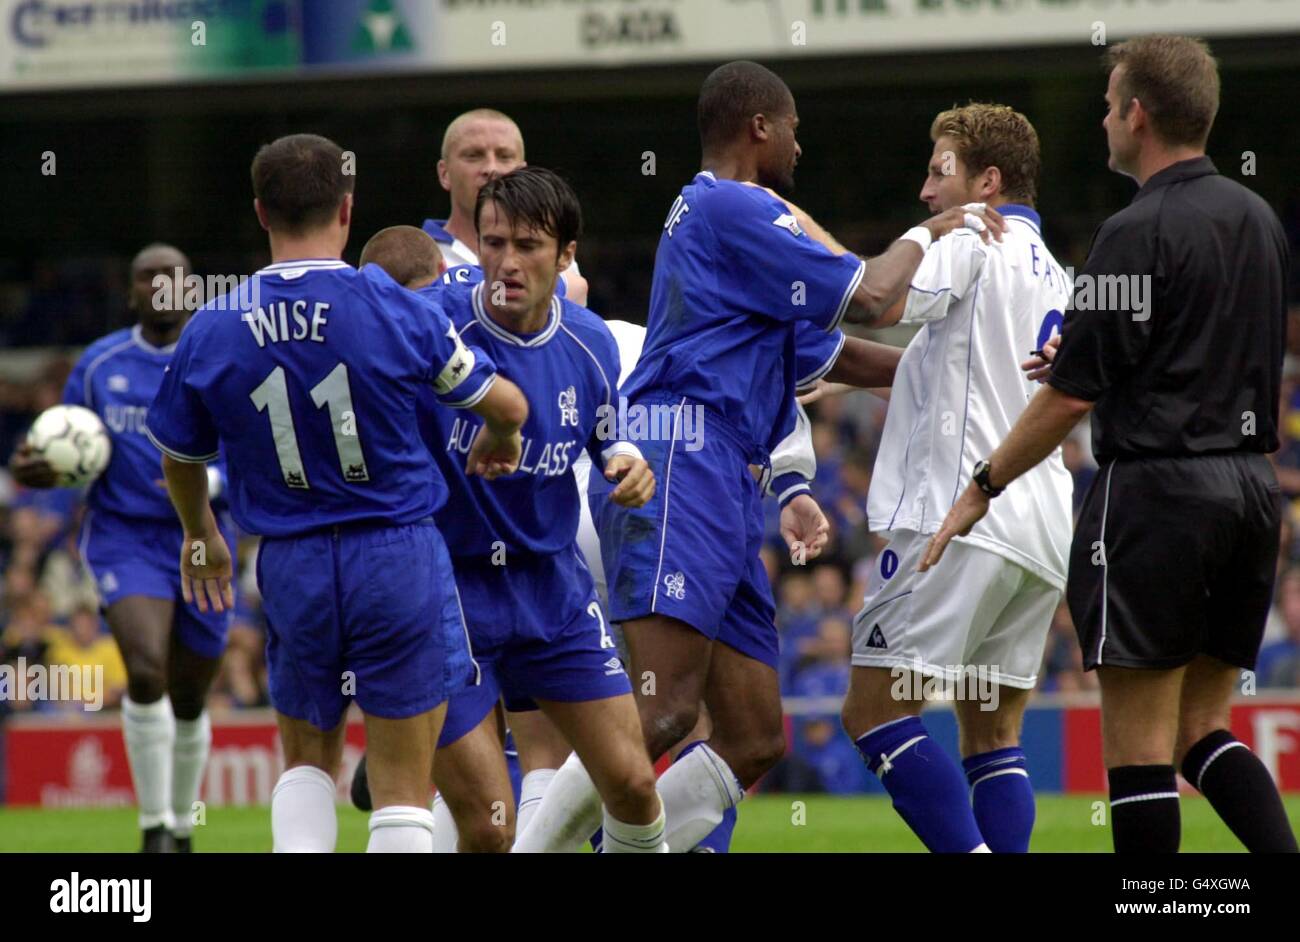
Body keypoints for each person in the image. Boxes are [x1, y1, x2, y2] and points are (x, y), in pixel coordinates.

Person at [532, 59, 1002, 852]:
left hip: (729, 470)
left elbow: (847, 355)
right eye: (792, 129)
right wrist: (932, 231)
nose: (800, 146)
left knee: (754, 739)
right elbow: (876, 297)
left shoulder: (744, 249)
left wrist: (966, 371)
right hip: (682, 453)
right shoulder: (733, 205)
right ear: (759, 127)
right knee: (664, 710)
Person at [924, 36, 1298, 854]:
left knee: (1136, 751)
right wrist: (1101, 349)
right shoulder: (1258, 220)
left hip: (1157, 498)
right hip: (1249, 493)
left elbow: (1068, 398)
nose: (1100, 120)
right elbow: (1194, 343)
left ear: (1136, 114)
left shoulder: (1131, 231)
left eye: (1106, 105)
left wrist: (982, 483)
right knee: (1203, 727)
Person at [145, 132, 528, 853]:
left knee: (308, 762)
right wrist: (502, 436)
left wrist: (201, 534)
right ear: (348, 209)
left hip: (289, 560)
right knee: (402, 786)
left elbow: (179, 453)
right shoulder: (391, 306)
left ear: (261, 212)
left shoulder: (213, 325)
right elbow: (503, 404)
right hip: (395, 553)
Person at [357, 169, 670, 853]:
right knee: (488, 823)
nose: (505, 261)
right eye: (493, 242)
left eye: (527, 245)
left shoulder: (589, 342)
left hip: (550, 590)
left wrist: (629, 462)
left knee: (634, 786)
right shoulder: (430, 319)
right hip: (446, 591)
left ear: (566, 255)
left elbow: (610, 436)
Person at [839, 103, 1073, 853]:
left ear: (989, 182)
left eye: (940, 173)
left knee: (873, 712)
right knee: (993, 733)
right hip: (1039, 529)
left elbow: (873, 298)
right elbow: (950, 361)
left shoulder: (974, 233)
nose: (926, 193)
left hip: (960, 520)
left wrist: (784, 235)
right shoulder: (1055, 270)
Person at [9, 243, 235, 853]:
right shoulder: (99, 363)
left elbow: (259, 452)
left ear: (194, 290)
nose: (159, 288)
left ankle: (184, 828)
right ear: (132, 292)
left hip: (204, 538)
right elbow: (68, 449)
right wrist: (43, 474)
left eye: (173, 279)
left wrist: (206, 483)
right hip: (124, 536)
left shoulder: (222, 355)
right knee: (143, 670)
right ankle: (155, 827)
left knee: (190, 695)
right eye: (146, 279)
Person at [425, 108, 586, 303]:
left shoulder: (549, 248)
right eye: (474, 155)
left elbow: (578, 294)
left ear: (522, 173)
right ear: (445, 173)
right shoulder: (416, 254)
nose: (491, 168)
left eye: (504, 156)